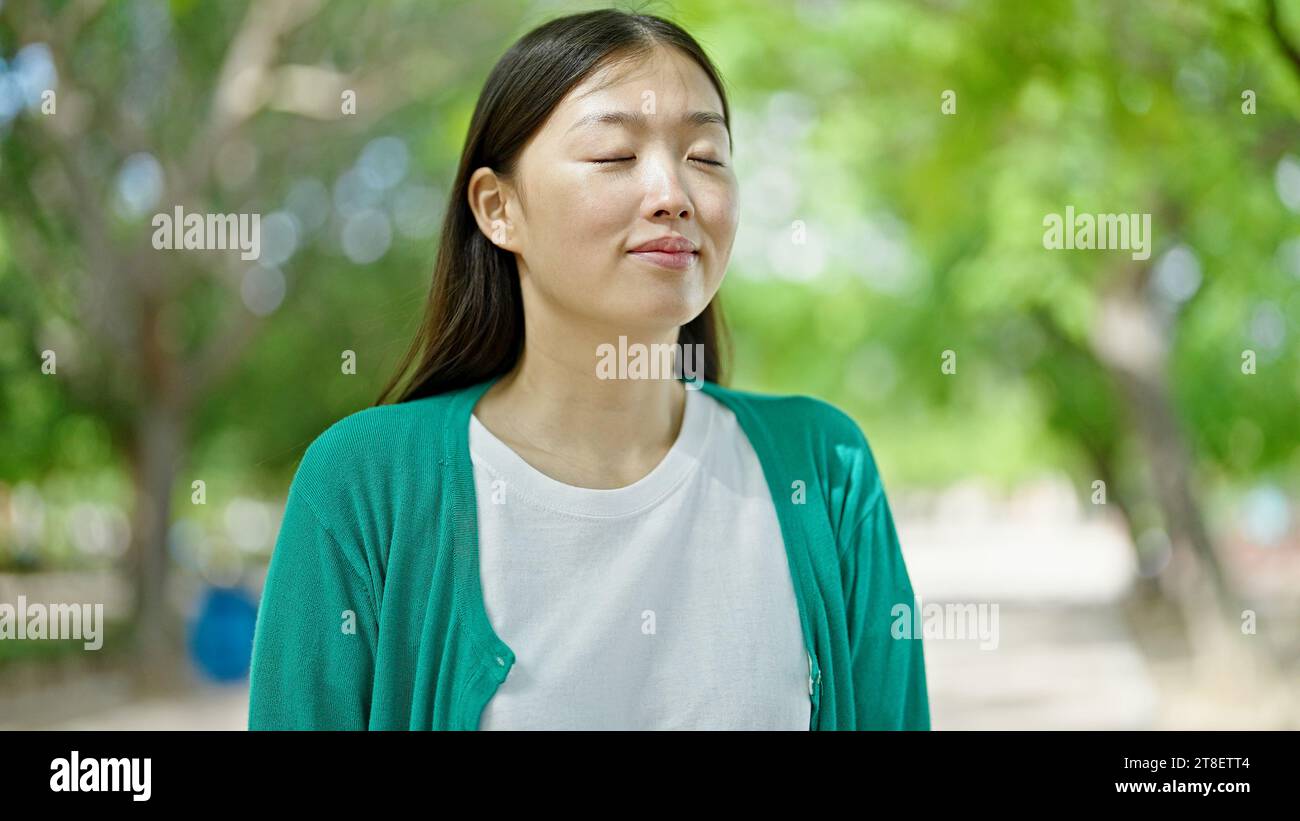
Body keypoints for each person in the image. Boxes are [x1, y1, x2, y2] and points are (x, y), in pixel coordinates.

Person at [248, 7, 929, 731]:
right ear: (498, 207)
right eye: (613, 156)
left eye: (705, 155)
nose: (673, 195)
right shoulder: (364, 485)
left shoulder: (826, 468)